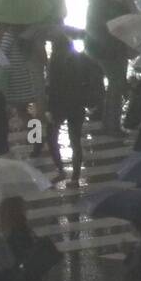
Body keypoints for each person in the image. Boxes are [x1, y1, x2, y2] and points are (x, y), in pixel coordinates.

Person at [45, 32, 101, 187]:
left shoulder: (55, 61)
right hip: (78, 104)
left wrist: (48, 109)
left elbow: (53, 87)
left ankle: (61, 170)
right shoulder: (82, 59)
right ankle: (75, 177)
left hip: (59, 105)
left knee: (52, 137)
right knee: (75, 140)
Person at [84, 0, 129, 137]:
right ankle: (112, 126)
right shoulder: (111, 5)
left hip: (101, 49)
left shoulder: (98, 1)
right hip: (110, 51)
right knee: (116, 86)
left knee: (113, 86)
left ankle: (108, 122)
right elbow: (120, 26)